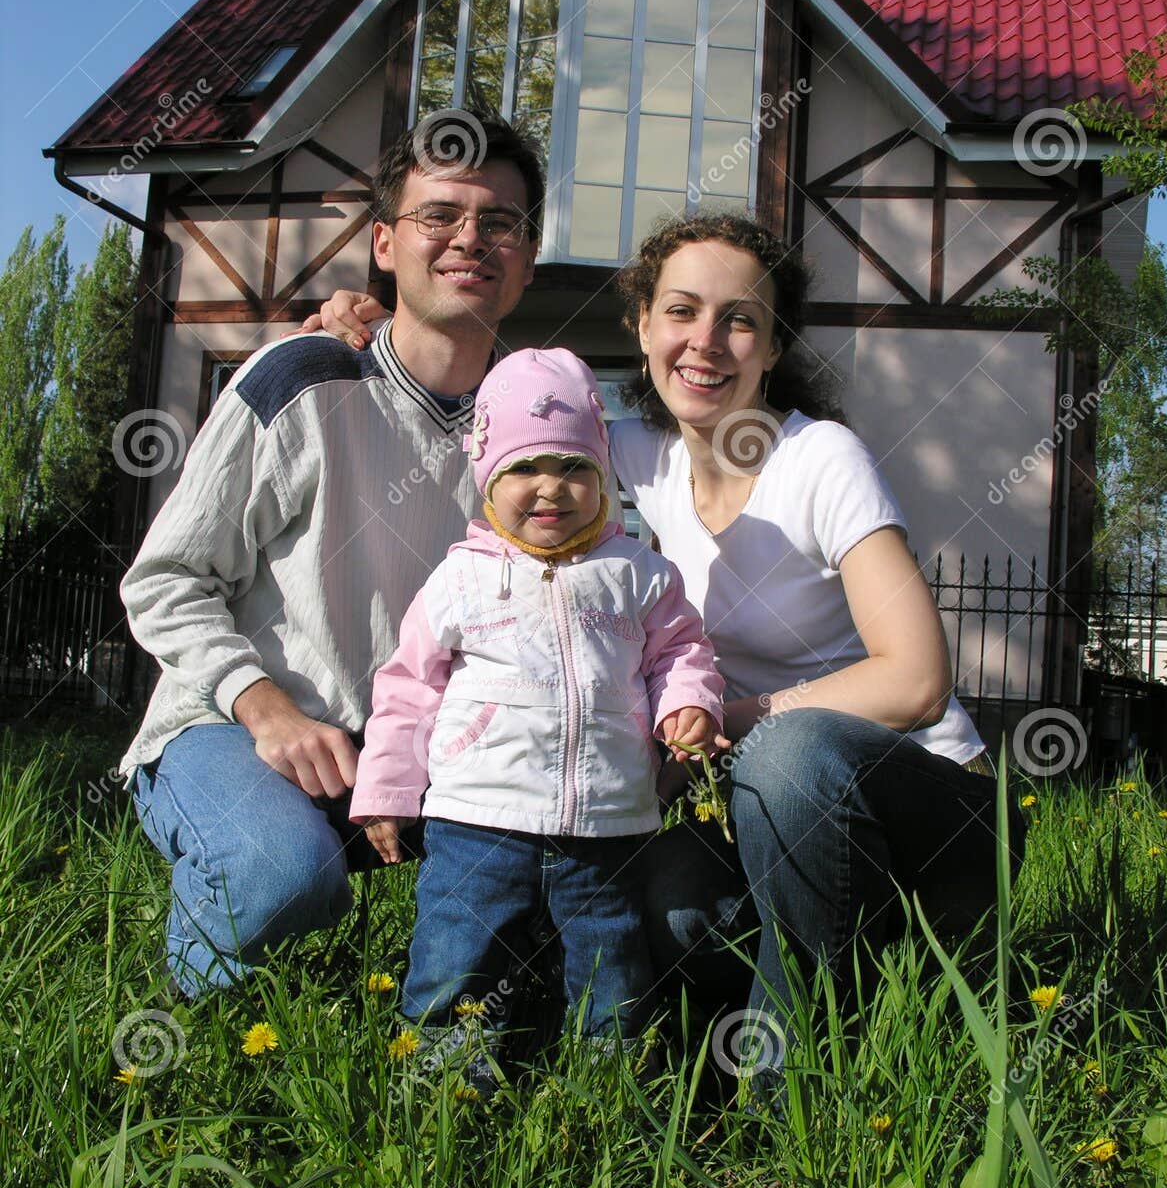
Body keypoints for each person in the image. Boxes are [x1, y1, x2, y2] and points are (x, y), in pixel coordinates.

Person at [315, 209, 1024, 1030]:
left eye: (742, 320)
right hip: (770, 812)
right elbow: (513, 425)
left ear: (776, 345)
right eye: (682, 311)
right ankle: (866, 975)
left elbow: (917, 681)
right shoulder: (624, 460)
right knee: (666, 912)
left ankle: (794, 1078)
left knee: (791, 754)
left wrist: (725, 720)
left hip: (932, 820)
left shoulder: (820, 459)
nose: (707, 341)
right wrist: (383, 333)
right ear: (642, 324)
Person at [119, 112, 545, 1000]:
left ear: (527, 255)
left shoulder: (534, 429)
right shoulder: (304, 378)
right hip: (232, 726)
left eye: (498, 221)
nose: (470, 239)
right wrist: (268, 710)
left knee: (567, 880)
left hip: (420, 759)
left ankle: (456, 1053)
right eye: (440, 216)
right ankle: (198, 1039)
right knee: (285, 875)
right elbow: (166, 581)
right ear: (385, 243)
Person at [348, 347, 723, 1075]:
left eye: (575, 467)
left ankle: (609, 1086)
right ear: (488, 478)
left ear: (604, 475)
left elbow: (682, 653)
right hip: (476, 821)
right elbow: (407, 691)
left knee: (612, 957)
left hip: (607, 826)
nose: (551, 487)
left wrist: (688, 704)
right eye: (523, 468)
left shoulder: (639, 576)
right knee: (458, 948)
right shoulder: (460, 577)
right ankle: (443, 1081)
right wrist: (388, 794)